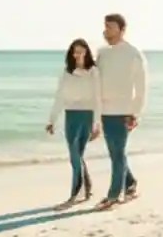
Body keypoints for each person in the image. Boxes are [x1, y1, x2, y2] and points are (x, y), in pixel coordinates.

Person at [94, 13, 148, 211]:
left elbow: (141, 87)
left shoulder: (133, 53)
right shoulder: (102, 53)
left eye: (110, 27)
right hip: (105, 111)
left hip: (124, 112)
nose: (105, 30)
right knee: (116, 153)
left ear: (122, 29)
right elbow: (96, 81)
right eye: (105, 26)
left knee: (117, 154)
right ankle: (130, 184)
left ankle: (113, 196)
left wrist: (135, 113)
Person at [45, 38, 102, 211]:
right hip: (71, 116)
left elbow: (97, 98)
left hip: (87, 115)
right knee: (74, 154)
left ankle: (76, 194)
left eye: (81, 51)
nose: (78, 55)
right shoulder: (67, 72)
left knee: (78, 154)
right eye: (75, 51)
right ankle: (85, 189)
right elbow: (59, 97)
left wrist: (97, 124)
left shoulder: (93, 71)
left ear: (86, 52)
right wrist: (52, 120)